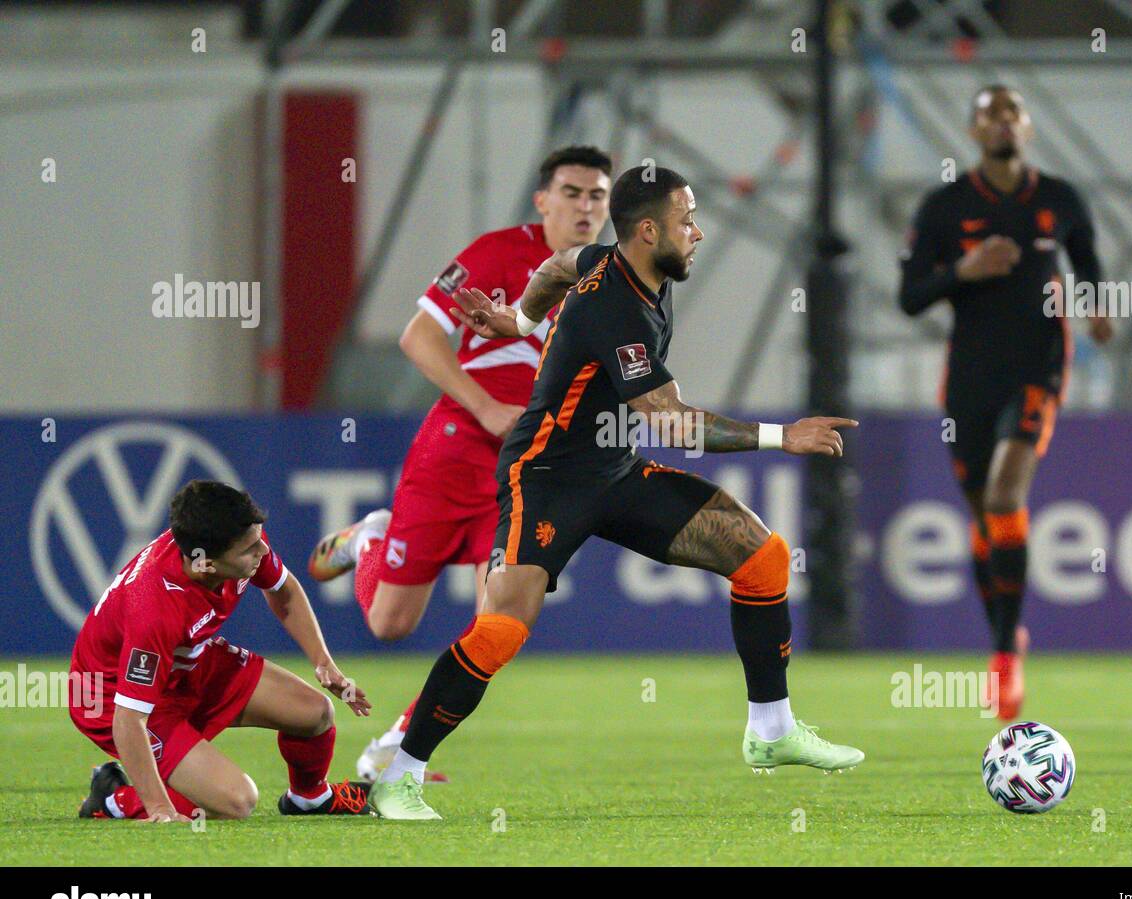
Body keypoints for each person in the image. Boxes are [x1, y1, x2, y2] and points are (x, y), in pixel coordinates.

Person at [367, 165, 863, 820]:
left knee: (761, 555)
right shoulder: (615, 308)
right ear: (650, 229)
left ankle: (771, 732)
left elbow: (557, 266)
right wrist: (783, 436)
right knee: (502, 630)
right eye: (687, 220)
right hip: (544, 478)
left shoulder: (612, 260)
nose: (699, 233)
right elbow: (673, 420)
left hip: (611, 469)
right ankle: (399, 774)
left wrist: (518, 320)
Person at [305, 146, 613, 782]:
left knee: (497, 628)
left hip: (524, 469)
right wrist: (484, 406)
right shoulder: (495, 253)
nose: (585, 206)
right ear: (543, 199)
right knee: (391, 624)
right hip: (457, 447)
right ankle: (372, 538)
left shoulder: (609, 276)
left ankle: (393, 749)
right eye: (573, 192)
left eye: (597, 195)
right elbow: (417, 337)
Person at [898, 84, 1113, 719]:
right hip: (968, 380)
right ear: (972, 130)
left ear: (1029, 127)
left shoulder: (1059, 198)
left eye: (1012, 112)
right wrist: (964, 271)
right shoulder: (944, 207)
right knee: (981, 515)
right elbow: (909, 297)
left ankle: (1003, 655)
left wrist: (1101, 308)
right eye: (990, 113)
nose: (1003, 122)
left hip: (1037, 372)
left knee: (1003, 496)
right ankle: (1005, 637)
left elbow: (1091, 267)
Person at [70, 479, 372, 821]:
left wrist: (323, 662)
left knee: (316, 712)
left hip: (188, 661)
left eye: (259, 540)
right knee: (236, 802)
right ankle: (113, 798)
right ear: (207, 565)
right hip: (111, 696)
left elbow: (284, 591)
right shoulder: (154, 609)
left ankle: (310, 797)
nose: (262, 553)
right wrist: (158, 808)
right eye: (249, 550)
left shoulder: (234, 538)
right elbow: (129, 718)